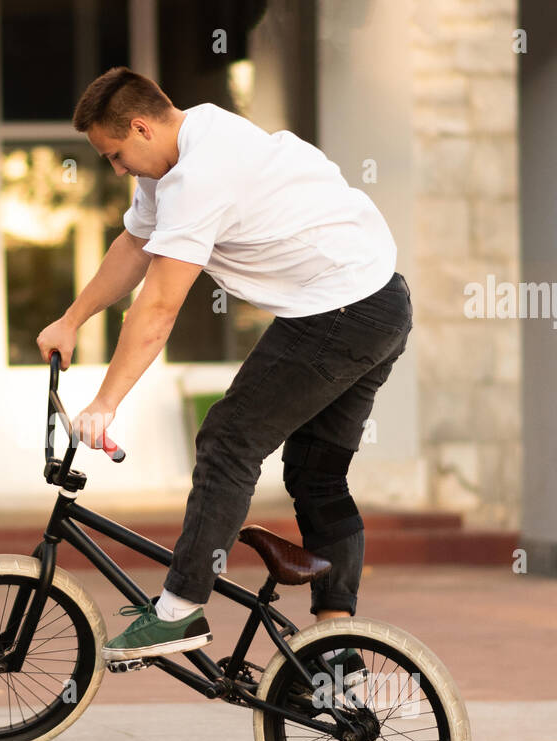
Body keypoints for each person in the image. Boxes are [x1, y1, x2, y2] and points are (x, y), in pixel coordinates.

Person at [36, 67, 412, 663]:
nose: (117, 169)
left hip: (341, 312)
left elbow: (157, 308)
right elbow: (135, 244)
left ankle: (180, 611)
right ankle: (337, 647)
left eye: (115, 154)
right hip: (376, 302)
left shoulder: (200, 176)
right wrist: (73, 318)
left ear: (139, 126)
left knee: (228, 439)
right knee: (316, 473)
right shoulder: (188, 144)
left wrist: (106, 402)